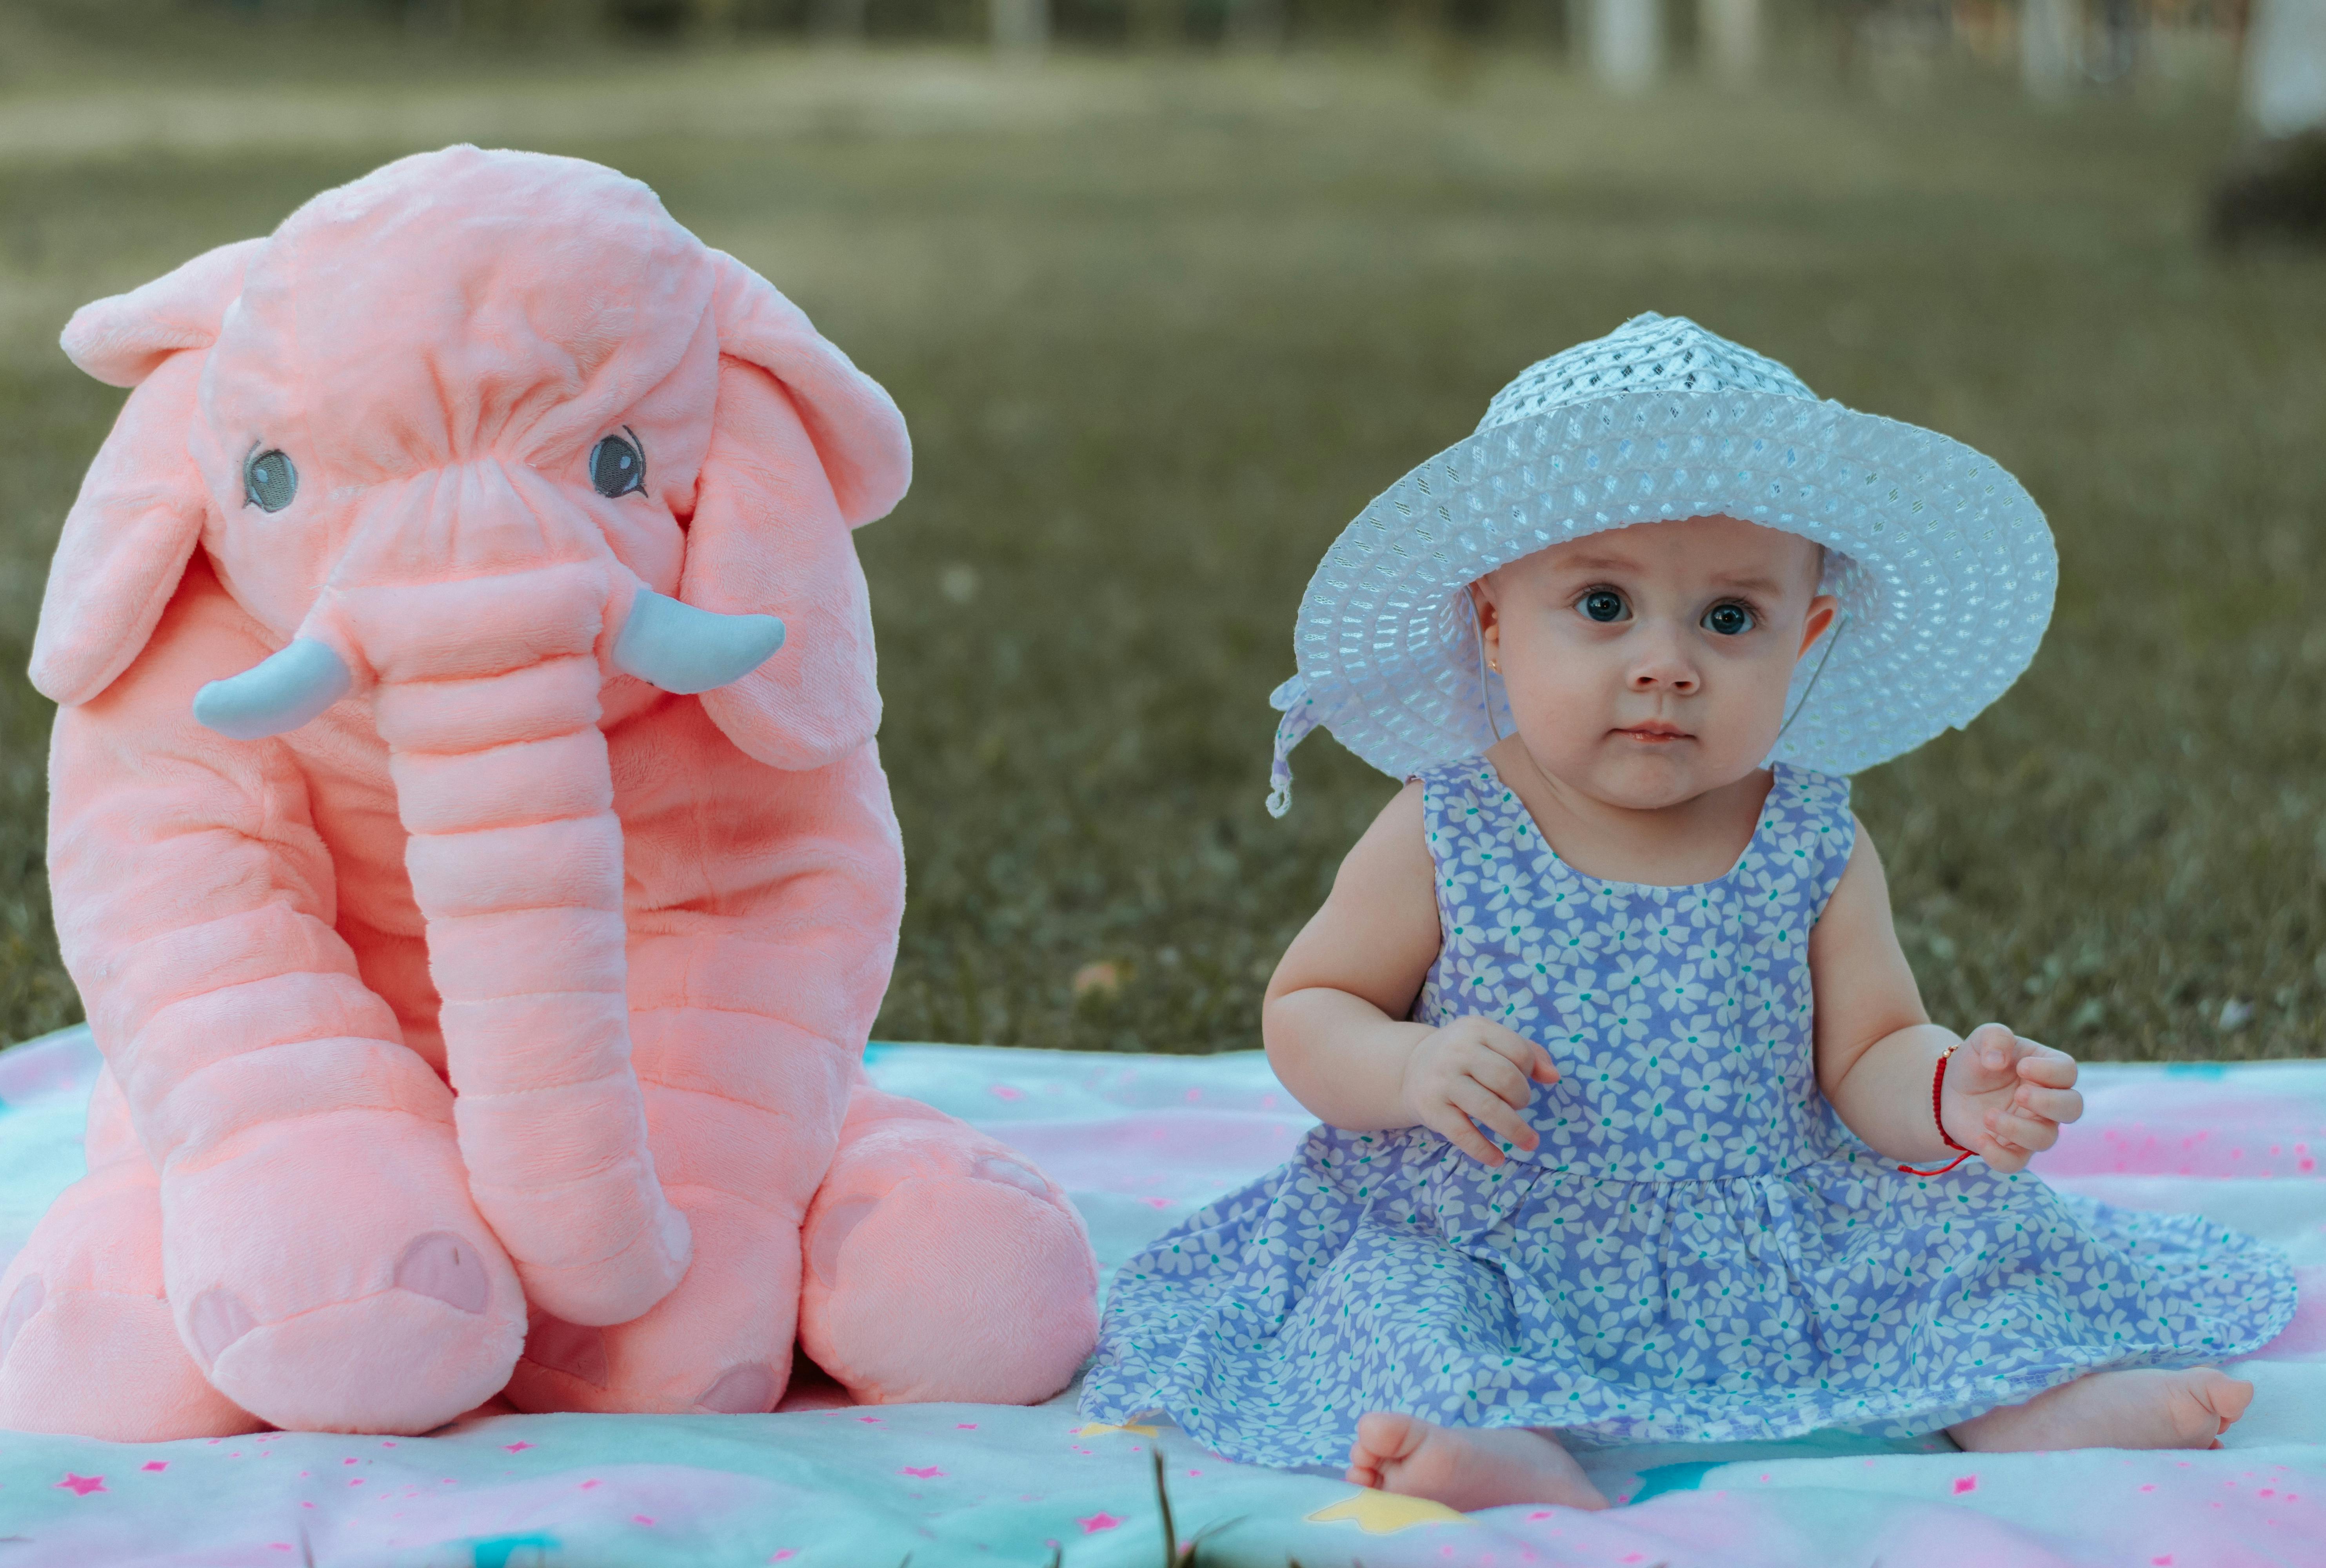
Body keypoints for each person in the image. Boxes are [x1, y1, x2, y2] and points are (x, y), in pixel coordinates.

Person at [1077, 314, 2298, 1511]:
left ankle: (2028, 1401)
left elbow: (1866, 1049)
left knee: (1965, 1238)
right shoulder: (1451, 824)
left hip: (1763, 1226)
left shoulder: (1809, 838)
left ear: (1805, 636)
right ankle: (1493, 1442)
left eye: (1729, 619)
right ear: (1492, 622)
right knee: (1393, 1304)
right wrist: (1407, 1065)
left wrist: (1943, 1094)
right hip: (1492, 1223)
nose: (1665, 664)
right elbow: (1308, 1005)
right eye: (1602, 607)